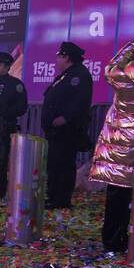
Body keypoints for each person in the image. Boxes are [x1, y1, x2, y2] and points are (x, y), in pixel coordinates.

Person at [89, 32, 134, 254]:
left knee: (117, 198)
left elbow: (111, 65)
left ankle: (114, 242)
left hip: (120, 148)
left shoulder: (122, 74)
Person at [41, 40, 94, 210]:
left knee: (63, 165)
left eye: (59, 57)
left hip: (67, 131)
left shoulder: (79, 75)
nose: (57, 60)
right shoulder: (66, 75)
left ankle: (61, 199)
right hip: (56, 132)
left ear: (67, 57)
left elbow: (79, 102)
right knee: (55, 164)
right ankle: (53, 195)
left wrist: (64, 118)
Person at [0, 51, 28, 200]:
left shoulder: (15, 85)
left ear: (8, 67)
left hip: (3, 128)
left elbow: (21, 108)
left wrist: (3, 114)